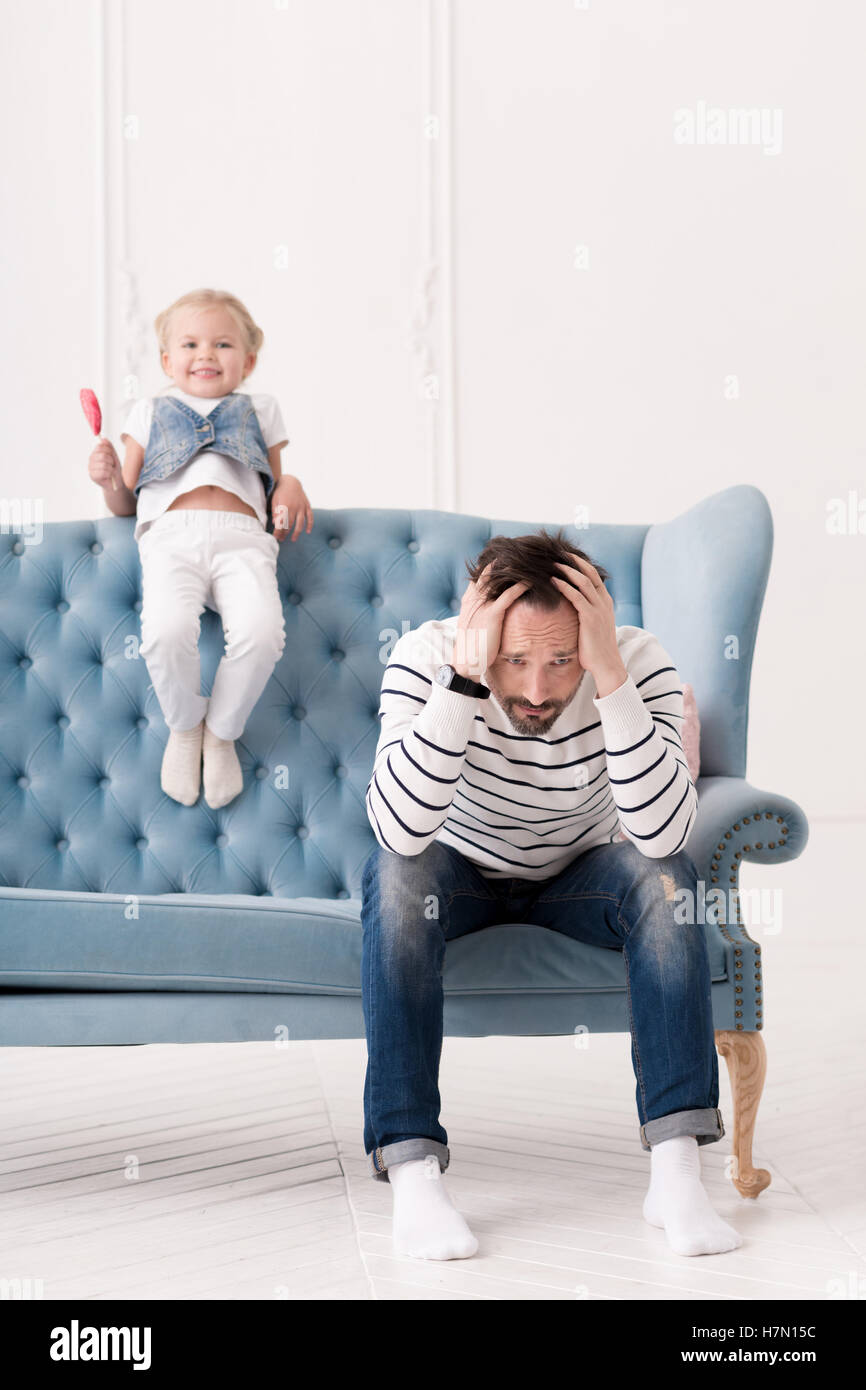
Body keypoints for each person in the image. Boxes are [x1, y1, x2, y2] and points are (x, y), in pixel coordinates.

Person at [362, 528, 741, 1260]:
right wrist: (466, 684)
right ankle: (413, 1176)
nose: (537, 691)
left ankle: (676, 1174)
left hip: (580, 875)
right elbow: (400, 830)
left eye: (560, 660)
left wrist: (608, 677)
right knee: (397, 876)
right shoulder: (426, 656)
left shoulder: (636, 662)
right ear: (479, 638)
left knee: (667, 881)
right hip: (459, 872)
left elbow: (662, 835)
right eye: (515, 661)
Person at [87, 288, 313, 808]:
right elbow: (124, 503)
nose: (206, 354)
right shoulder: (148, 409)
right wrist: (105, 481)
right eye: (189, 344)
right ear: (167, 360)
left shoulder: (261, 407)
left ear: (249, 359)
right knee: (164, 633)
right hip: (170, 537)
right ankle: (186, 727)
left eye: (223, 344)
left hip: (244, 541)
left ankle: (222, 731)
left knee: (260, 634)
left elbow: (277, 484)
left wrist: (293, 483)